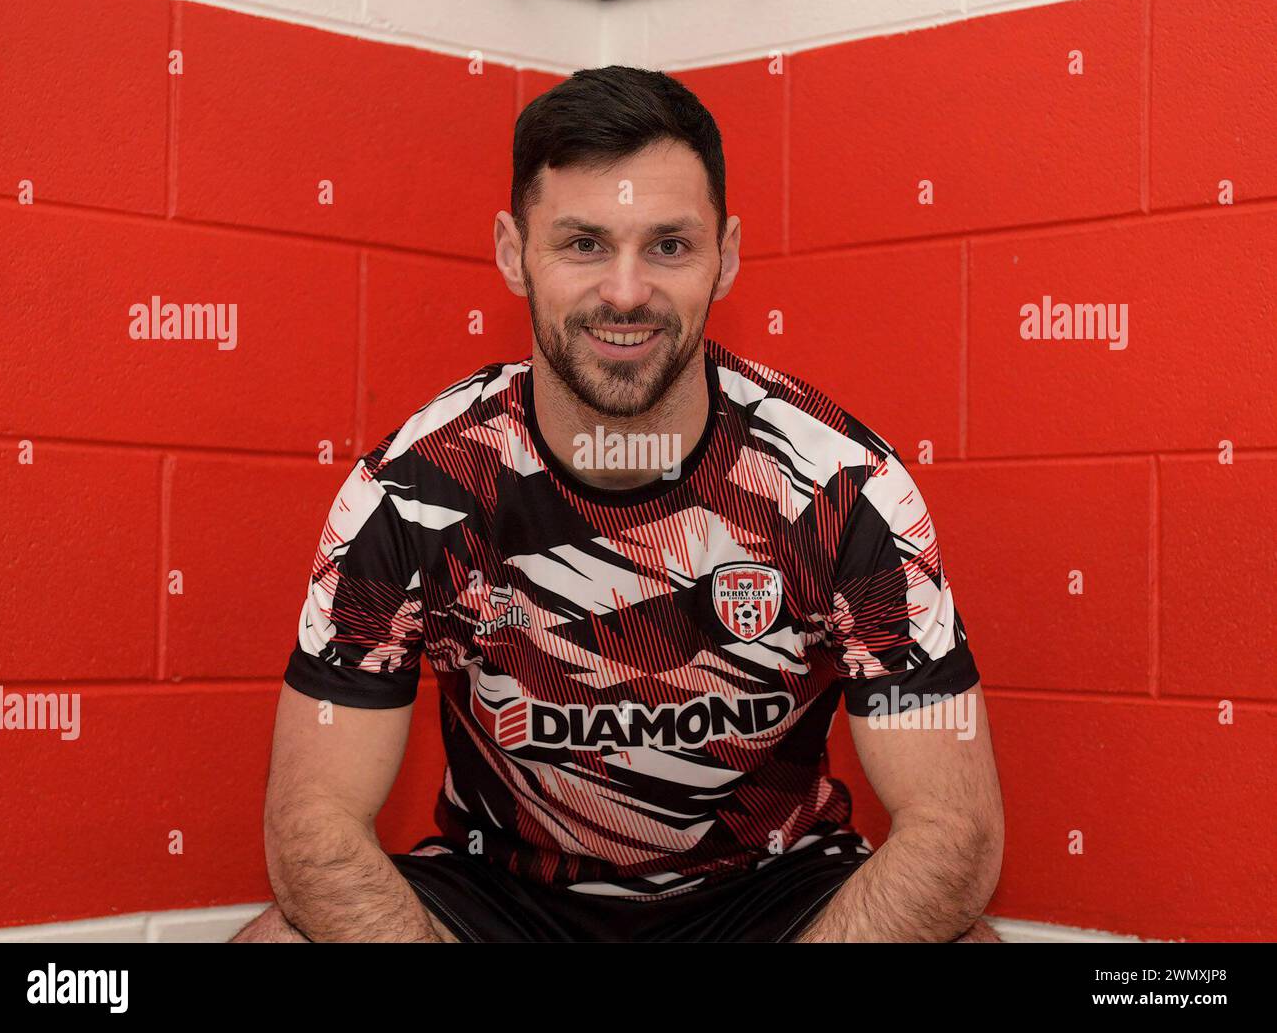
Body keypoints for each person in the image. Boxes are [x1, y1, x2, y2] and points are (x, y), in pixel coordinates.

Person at [232, 65, 1003, 944]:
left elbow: (956, 833)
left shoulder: (843, 487)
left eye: (669, 245)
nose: (628, 291)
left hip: (769, 892)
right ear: (513, 252)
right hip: (505, 895)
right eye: (584, 243)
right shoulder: (413, 493)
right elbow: (313, 832)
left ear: (729, 254)